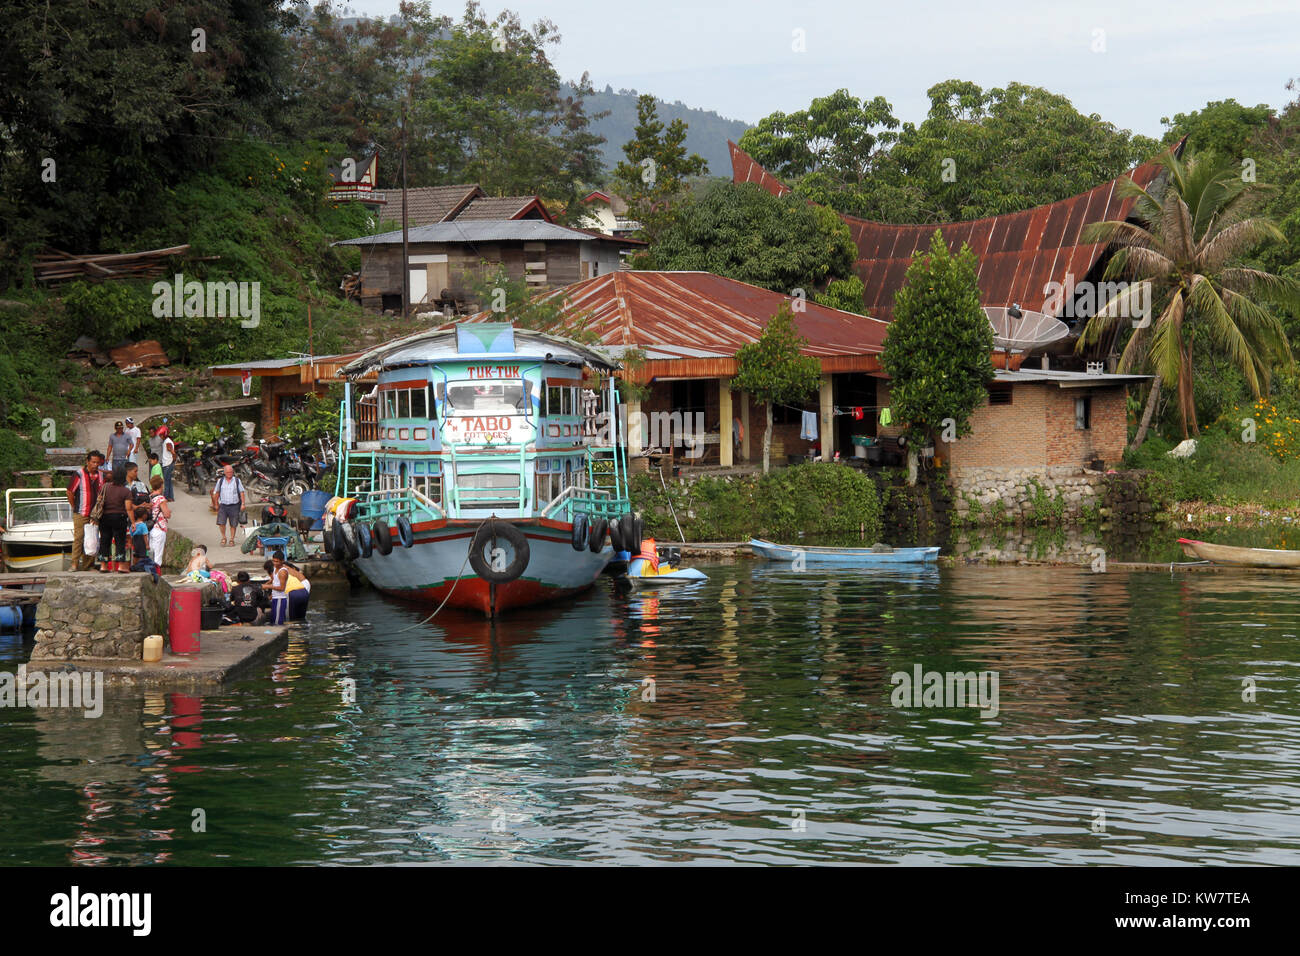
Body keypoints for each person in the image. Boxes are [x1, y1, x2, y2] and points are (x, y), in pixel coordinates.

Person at [66, 450, 104, 572]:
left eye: (97, 462)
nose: (95, 465)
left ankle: (88, 566)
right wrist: (74, 506)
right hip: (81, 512)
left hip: (94, 514)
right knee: (79, 538)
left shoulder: (101, 475)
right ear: (87, 462)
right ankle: (74, 564)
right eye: (93, 462)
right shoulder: (79, 474)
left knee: (92, 539)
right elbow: (70, 492)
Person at [97, 467, 134, 573]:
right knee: (120, 542)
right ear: (124, 477)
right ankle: (121, 566)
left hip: (104, 518)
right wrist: (132, 522)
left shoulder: (105, 487)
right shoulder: (126, 491)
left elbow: (99, 500)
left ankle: (103, 566)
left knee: (104, 541)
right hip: (119, 518)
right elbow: (128, 508)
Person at [210, 463, 246, 547]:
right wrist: (215, 504)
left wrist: (243, 504)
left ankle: (232, 539)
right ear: (224, 473)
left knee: (233, 524)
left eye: (231, 472)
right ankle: (224, 537)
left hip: (234, 505)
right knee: (221, 523)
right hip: (223, 505)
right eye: (228, 472)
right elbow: (217, 492)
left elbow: (242, 492)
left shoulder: (237, 481)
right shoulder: (220, 481)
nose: (230, 473)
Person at [263, 551, 290, 625]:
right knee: (273, 621)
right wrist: (266, 584)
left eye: (277, 561)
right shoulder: (275, 568)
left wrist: (267, 586)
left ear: (282, 561)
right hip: (275, 598)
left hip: (280, 599)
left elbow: (282, 588)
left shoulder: (283, 572)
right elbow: (274, 580)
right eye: (273, 561)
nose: (275, 563)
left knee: (277, 623)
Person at [148, 476, 170, 566]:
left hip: (151, 528)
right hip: (159, 528)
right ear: (161, 485)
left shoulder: (150, 497)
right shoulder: (161, 499)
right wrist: (168, 512)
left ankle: (150, 575)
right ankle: (156, 576)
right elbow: (167, 514)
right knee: (158, 556)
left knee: (151, 555)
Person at [159, 426, 176, 501]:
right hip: (167, 463)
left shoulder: (167, 442)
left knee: (166, 482)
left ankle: (165, 497)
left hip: (167, 464)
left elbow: (173, 452)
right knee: (168, 481)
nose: (160, 437)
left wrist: (173, 460)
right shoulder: (167, 441)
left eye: (161, 435)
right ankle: (170, 497)